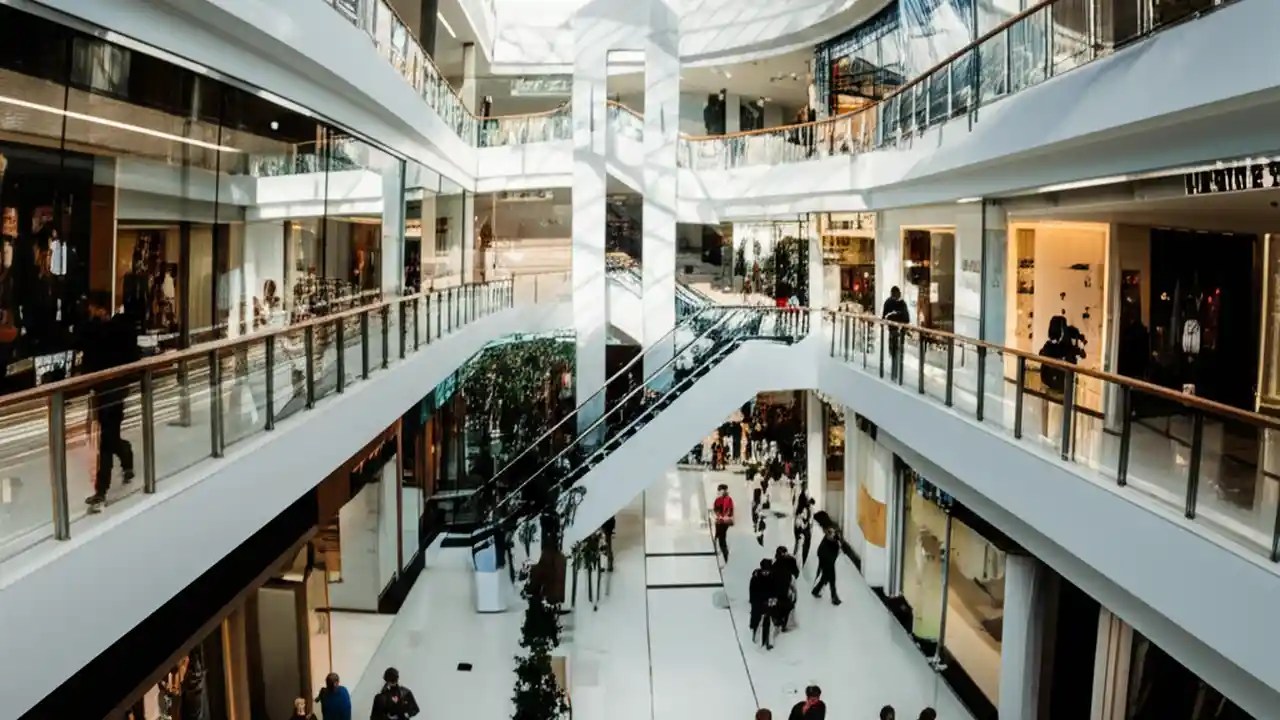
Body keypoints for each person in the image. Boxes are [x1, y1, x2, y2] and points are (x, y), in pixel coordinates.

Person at [78, 291, 139, 512]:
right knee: (109, 437)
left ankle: (102, 490)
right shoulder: (103, 330)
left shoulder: (115, 329)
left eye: (93, 308)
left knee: (106, 439)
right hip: (108, 391)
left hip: (112, 391)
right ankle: (126, 457)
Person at [882, 286, 910, 382]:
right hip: (896, 331)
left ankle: (896, 374)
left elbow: (884, 317)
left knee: (895, 352)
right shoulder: (895, 303)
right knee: (896, 352)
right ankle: (896, 375)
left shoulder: (898, 303)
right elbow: (906, 319)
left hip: (896, 331)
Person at [749, 558, 776, 650]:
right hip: (758, 602)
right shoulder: (756, 578)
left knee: (769, 621)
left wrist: (771, 600)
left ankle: (768, 641)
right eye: (764, 571)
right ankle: (757, 639)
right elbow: (753, 592)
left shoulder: (772, 578)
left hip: (768, 602)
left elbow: (774, 591)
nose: (766, 573)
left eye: (767, 571)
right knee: (757, 620)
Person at [811, 526, 843, 605]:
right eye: (831, 534)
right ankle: (834, 598)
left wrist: (838, 545)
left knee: (824, 579)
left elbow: (836, 550)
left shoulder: (832, 541)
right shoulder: (825, 544)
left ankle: (816, 591)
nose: (832, 536)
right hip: (828, 564)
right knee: (832, 580)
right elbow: (821, 553)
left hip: (829, 563)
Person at [772, 546, 799, 631]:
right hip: (782, 589)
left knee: (786, 604)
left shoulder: (777, 564)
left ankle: (781, 620)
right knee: (787, 604)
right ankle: (782, 621)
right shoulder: (777, 565)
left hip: (784, 588)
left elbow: (796, 573)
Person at [712, 484, 735, 562]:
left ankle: (725, 556)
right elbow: (716, 509)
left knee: (721, 539)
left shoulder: (727, 499)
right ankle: (724, 555)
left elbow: (729, 511)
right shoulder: (720, 499)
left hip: (724, 522)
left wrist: (723, 516)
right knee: (721, 538)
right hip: (721, 521)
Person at [794, 495, 814, 565]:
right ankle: (799, 563)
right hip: (803, 531)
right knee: (801, 549)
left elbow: (809, 521)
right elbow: (804, 521)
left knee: (800, 547)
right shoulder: (804, 510)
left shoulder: (803, 509)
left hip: (803, 530)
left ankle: (799, 562)